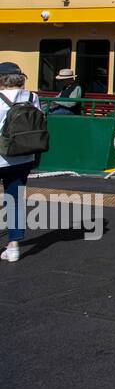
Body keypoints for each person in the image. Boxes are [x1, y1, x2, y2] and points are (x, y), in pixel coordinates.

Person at [0, 62, 41, 263]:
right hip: (25, 156)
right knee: (14, 199)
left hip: (1, 156)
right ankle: (14, 246)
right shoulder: (33, 97)